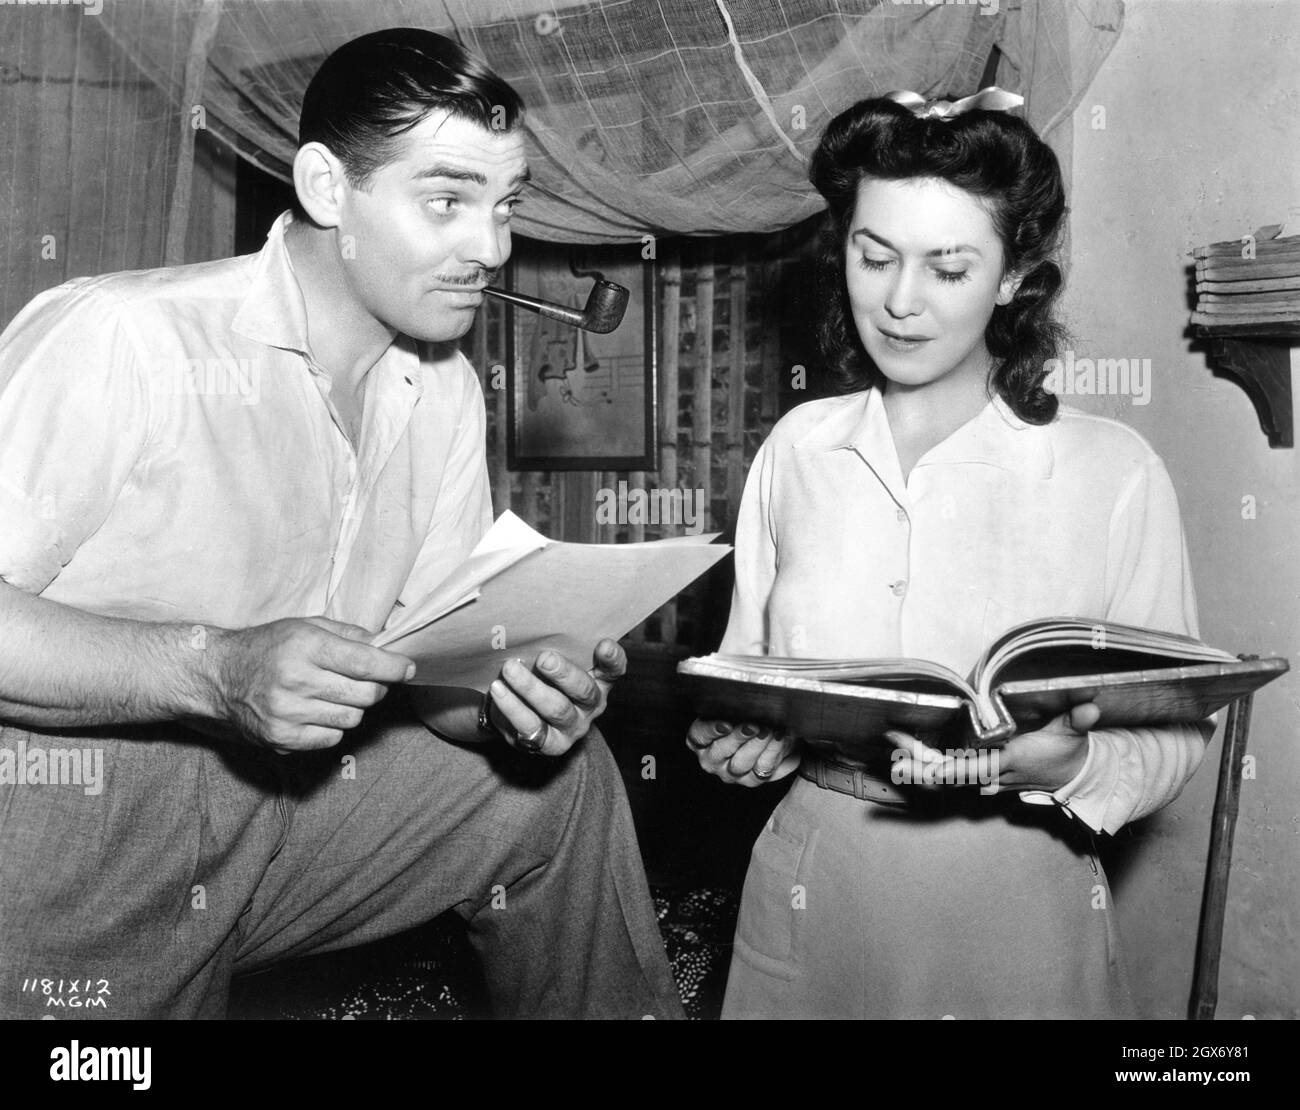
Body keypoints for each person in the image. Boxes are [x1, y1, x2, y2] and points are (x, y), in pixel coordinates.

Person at [0, 28, 682, 1020]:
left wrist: (514, 692)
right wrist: (216, 668)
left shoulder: (441, 388)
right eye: (445, 201)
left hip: (288, 806)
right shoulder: (125, 338)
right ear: (327, 188)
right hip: (64, 825)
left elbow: (436, 674)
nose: (489, 247)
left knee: (552, 787)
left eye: (505, 207)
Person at [685, 91, 1213, 1019]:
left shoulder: (1112, 472)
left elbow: (1172, 730)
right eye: (873, 254)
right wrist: (746, 743)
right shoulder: (797, 451)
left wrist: (1067, 767)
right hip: (819, 889)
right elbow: (748, 678)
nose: (898, 301)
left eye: (948, 267)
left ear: (1013, 278)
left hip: (1018, 900)